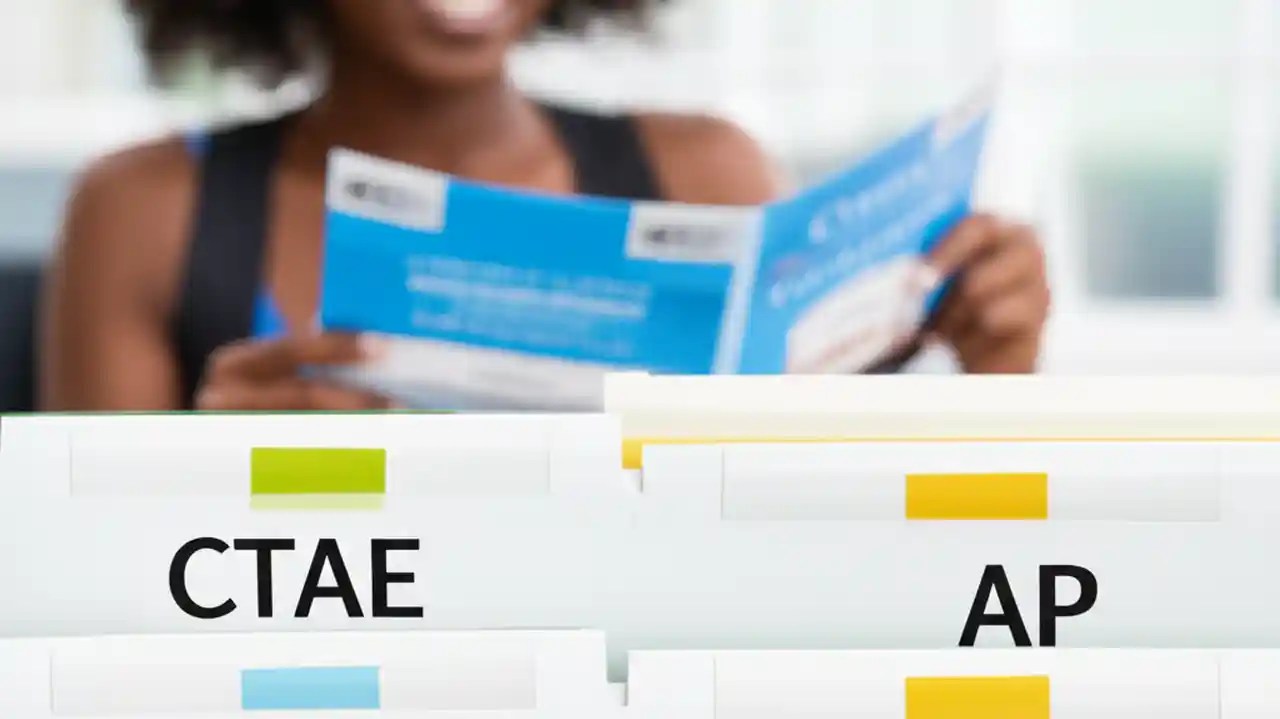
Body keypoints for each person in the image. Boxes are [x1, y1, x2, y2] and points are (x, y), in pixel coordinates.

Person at [40, 0, 1050, 412]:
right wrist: (208, 478)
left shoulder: (711, 173)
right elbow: (88, 610)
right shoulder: (148, 207)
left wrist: (996, 372)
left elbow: (828, 560)